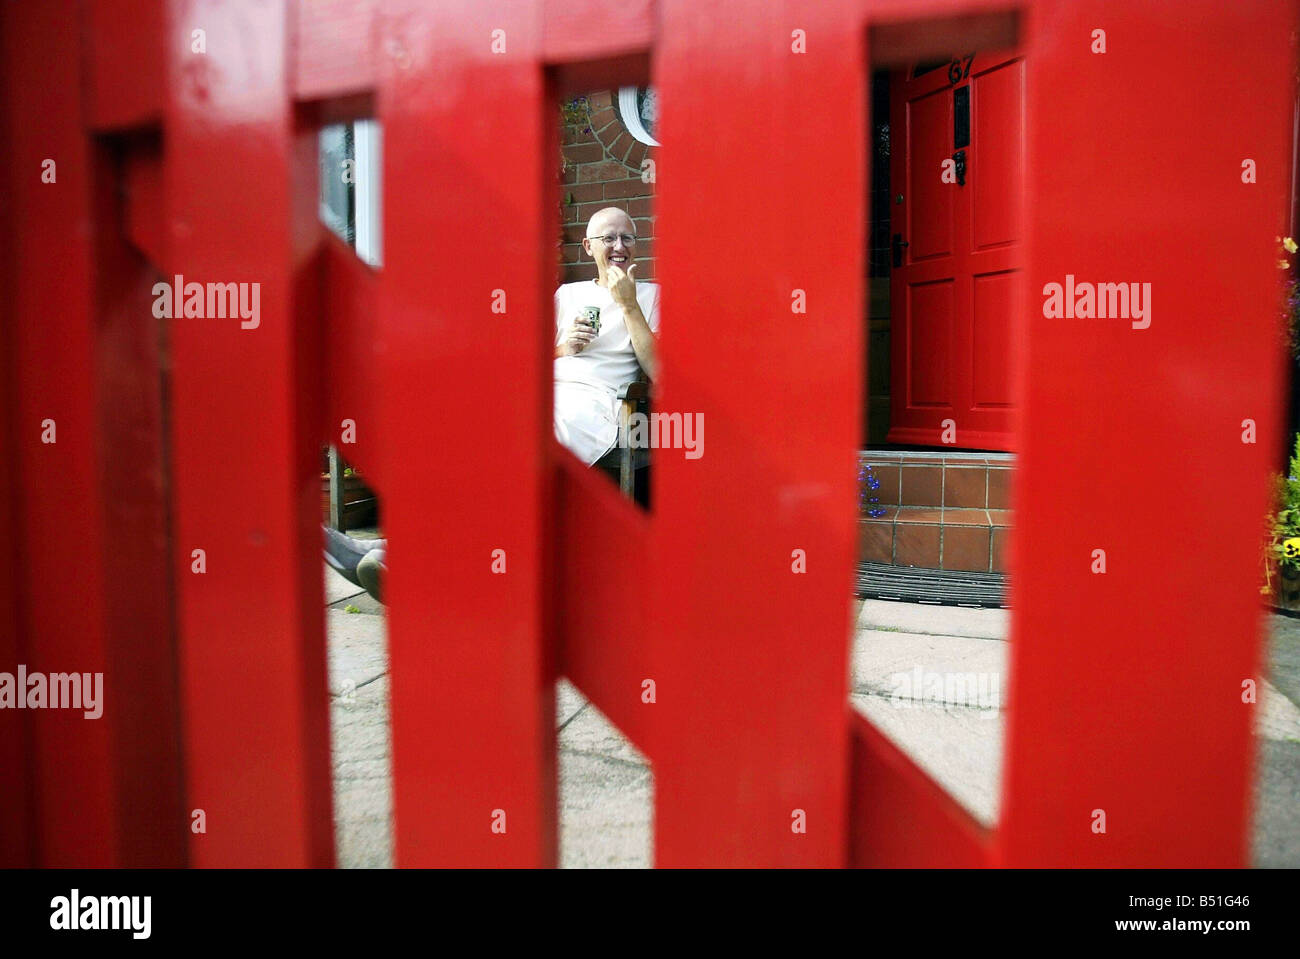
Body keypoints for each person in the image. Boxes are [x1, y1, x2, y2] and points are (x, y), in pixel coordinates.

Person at [324, 207, 659, 603]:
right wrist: (562, 347)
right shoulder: (568, 296)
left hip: (601, 407)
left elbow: (658, 370)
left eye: (628, 238)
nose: (620, 246)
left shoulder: (651, 293)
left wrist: (629, 305)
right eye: (609, 238)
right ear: (588, 247)